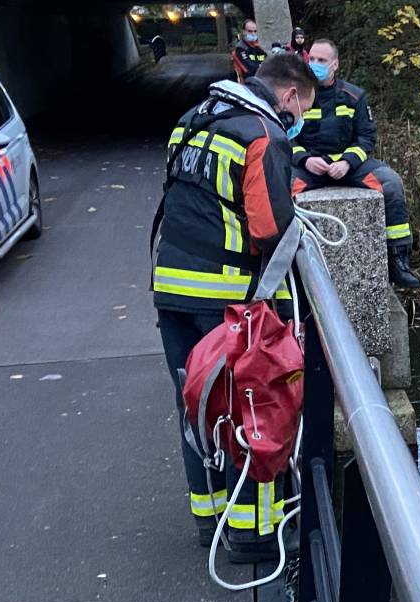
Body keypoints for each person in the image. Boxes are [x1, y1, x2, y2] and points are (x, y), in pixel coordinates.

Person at [152, 53, 316, 562]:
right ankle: (253, 536)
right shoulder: (263, 133)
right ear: (289, 95)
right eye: (301, 108)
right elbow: (269, 228)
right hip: (225, 299)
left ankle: (211, 520)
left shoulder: (195, 119)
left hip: (171, 289)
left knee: (196, 406)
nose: (298, 118)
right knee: (250, 409)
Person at [291, 39, 420, 289]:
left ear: (335, 65)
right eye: (312, 59)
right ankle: (285, 265)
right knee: (280, 187)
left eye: (321, 60)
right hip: (310, 167)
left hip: (348, 166)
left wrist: (348, 162)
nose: (315, 64)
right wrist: (305, 159)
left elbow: (366, 137)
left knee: (391, 184)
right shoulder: (295, 95)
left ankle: (398, 262)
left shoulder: (354, 95)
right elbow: (285, 137)